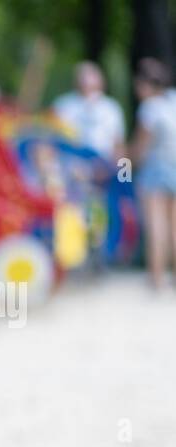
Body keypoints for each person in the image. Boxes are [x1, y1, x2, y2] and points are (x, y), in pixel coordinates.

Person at [131, 57, 176, 289]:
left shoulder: (150, 108)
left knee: (156, 224)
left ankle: (156, 278)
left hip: (156, 169)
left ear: (146, 85)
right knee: (174, 225)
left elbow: (140, 149)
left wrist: (124, 166)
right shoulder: (173, 101)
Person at [52, 61, 126, 160]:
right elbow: (52, 138)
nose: (85, 82)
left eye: (90, 77)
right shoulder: (62, 104)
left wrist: (118, 170)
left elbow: (118, 143)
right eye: (82, 77)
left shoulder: (111, 107)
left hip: (102, 163)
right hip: (68, 160)